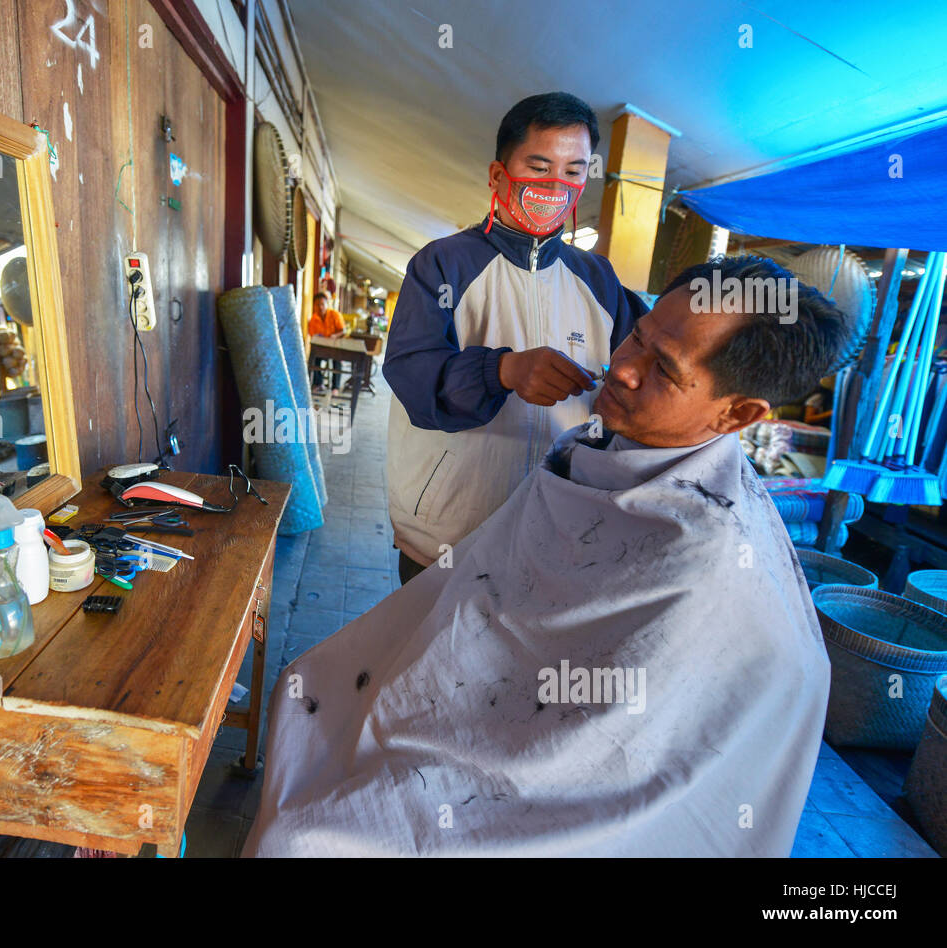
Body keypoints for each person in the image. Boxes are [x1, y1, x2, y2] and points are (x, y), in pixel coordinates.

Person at [243, 256, 849, 857]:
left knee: (306, 842)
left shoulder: (709, 560)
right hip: (483, 706)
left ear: (738, 414)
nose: (624, 368)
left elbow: (596, 755)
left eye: (663, 368)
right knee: (306, 690)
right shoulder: (586, 450)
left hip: (553, 780)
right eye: (636, 337)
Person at [383, 92, 650, 586]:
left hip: (557, 537)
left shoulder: (598, 279)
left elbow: (645, 365)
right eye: (539, 165)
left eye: (573, 171)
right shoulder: (443, 264)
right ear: (498, 174)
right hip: (447, 534)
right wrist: (502, 371)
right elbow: (411, 374)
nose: (556, 184)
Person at [308, 291, 347, 394]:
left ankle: (335, 387)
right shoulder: (313, 319)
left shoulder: (335, 315)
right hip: (322, 349)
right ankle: (318, 383)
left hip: (335, 347)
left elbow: (343, 331)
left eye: (322, 304)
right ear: (314, 306)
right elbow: (313, 336)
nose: (320, 307)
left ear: (327, 304)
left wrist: (335, 335)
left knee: (337, 361)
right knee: (314, 359)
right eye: (317, 304)